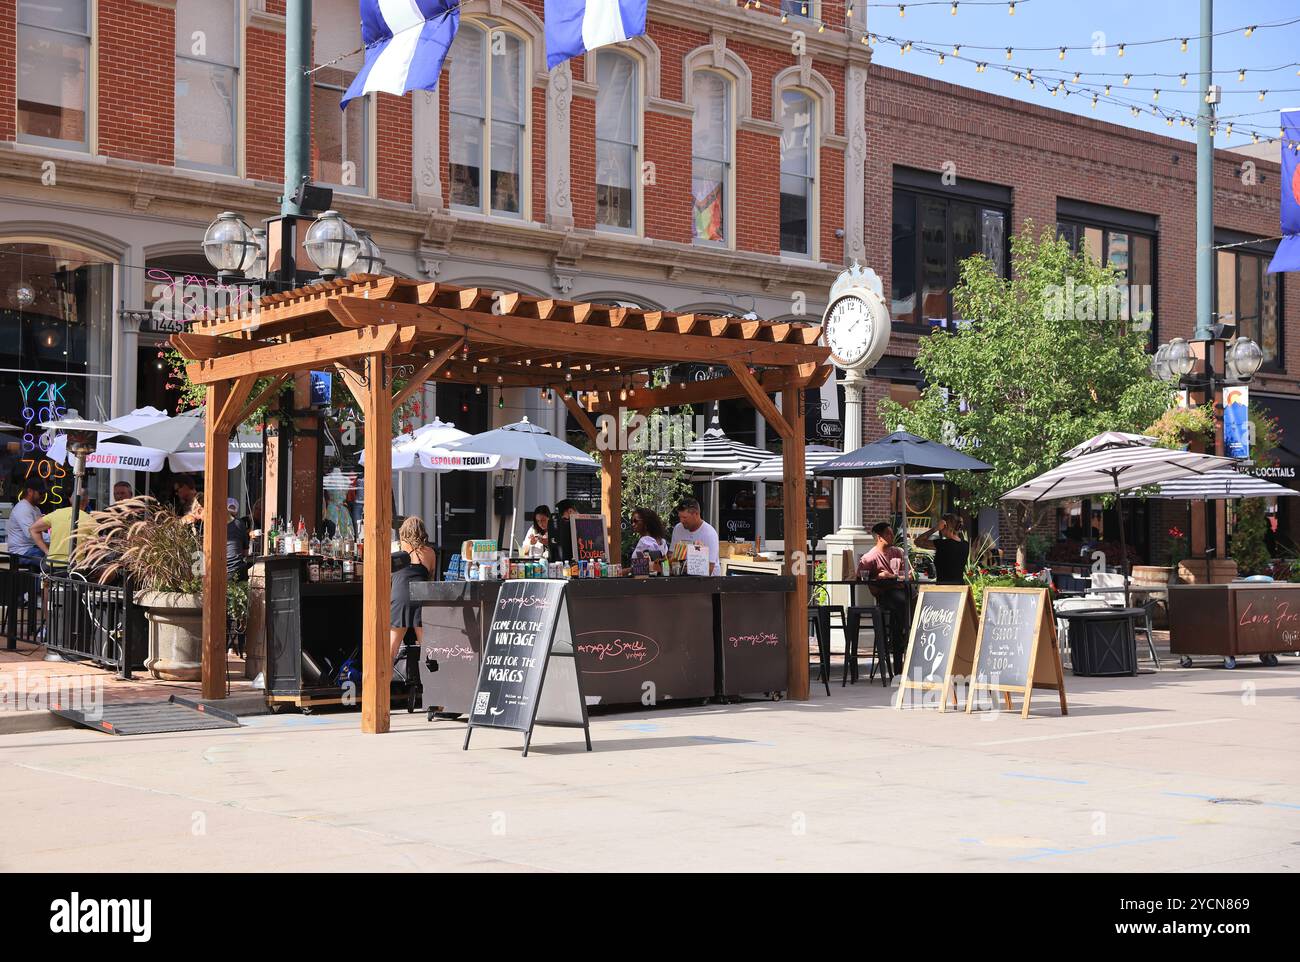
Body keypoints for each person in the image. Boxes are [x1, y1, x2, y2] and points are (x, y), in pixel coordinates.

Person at [857, 521, 912, 673]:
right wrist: (878, 578)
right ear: (880, 537)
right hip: (886, 594)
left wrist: (893, 575)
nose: (892, 535)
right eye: (888, 533)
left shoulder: (898, 552)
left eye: (892, 532)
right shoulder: (870, 557)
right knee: (899, 604)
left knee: (915, 597)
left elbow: (910, 574)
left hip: (902, 591)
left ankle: (906, 634)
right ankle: (900, 639)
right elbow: (860, 576)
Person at [391, 516, 436, 661]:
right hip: (421, 598)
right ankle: (434, 677)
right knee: (428, 648)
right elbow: (430, 577)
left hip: (400, 598)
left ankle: (385, 682)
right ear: (422, 532)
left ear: (403, 531)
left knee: (392, 648)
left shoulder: (395, 548)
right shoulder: (430, 553)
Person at [30, 492, 97, 567]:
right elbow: (95, 547)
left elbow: (33, 529)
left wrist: (47, 551)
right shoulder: (90, 520)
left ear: (70, 500)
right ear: (87, 501)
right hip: (75, 568)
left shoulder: (56, 514)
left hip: (52, 565)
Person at [670, 497, 719, 575]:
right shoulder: (678, 528)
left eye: (685, 517)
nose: (681, 520)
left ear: (696, 514)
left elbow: (709, 568)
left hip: (706, 582)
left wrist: (684, 567)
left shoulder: (710, 534)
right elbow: (671, 555)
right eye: (680, 517)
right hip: (683, 578)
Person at [917, 513, 969, 585]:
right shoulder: (965, 544)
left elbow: (918, 541)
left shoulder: (943, 544)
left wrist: (934, 529)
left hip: (944, 588)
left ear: (945, 526)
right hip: (960, 587)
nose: (940, 530)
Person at [6, 479, 46, 562]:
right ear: (30, 491)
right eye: (40, 493)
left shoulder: (36, 509)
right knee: (49, 562)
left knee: (56, 555)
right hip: (22, 552)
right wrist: (54, 537)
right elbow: (31, 534)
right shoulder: (23, 508)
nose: (43, 496)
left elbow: (40, 531)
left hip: (32, 548)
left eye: (44, 493)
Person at [226, 498, 248, 580]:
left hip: (225, 570)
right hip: (239, 569)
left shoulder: (217, 523)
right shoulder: (239, 523)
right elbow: (246, 552)